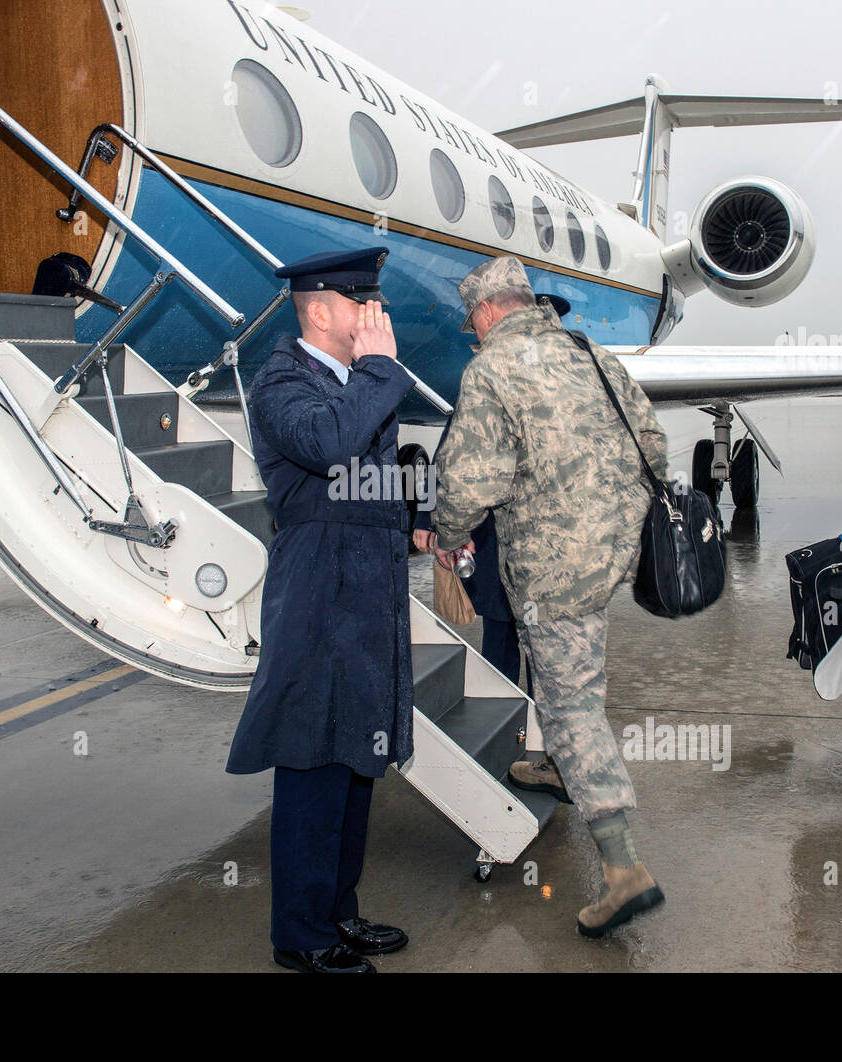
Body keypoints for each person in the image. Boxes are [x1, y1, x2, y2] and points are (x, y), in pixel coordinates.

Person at [430, 256, 669, 937]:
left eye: (471, 322)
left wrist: (447, 533)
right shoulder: (590, 353)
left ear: (485, 313)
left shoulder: (491, 369)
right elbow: (652, 441)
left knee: (571, 705)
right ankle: (560, 769)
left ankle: (623, 871)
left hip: (550, 571)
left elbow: (472, 481)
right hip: (613, 554)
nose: (473, 334)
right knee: (577, 671)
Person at [225, 246, 414, 973]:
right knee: (311, 761)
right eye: (365, 305)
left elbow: (370, 477)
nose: (379, 317)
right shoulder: (281, 383)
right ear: (323, 311)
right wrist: (379, 369)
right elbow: (334, 445)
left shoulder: (348, 379)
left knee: (355, 761)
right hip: (317, 597)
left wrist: (415, 518)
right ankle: (299, 936)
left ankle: (338, 912)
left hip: (366, 596)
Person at [410, 295, 569, 695]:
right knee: (501, 645)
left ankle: (541, 742)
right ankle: (507, 727)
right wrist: (428, 523)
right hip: (502, 546)